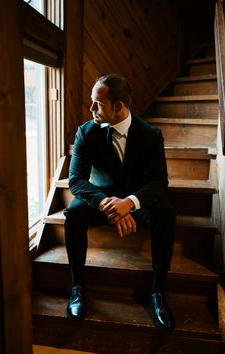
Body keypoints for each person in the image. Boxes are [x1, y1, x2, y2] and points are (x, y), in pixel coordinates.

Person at [64, 73, 176, 329]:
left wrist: (131, 203)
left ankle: (157, 292)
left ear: (119, 106)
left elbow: (159, 182)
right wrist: (107, 203)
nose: (91, 108)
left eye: (98, 103)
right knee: (74, 213)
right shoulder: (86, 132)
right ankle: (77, 286)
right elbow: (76, 181)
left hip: (138, 201)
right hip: (100, 200)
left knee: (166, 214)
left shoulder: (150, 134)